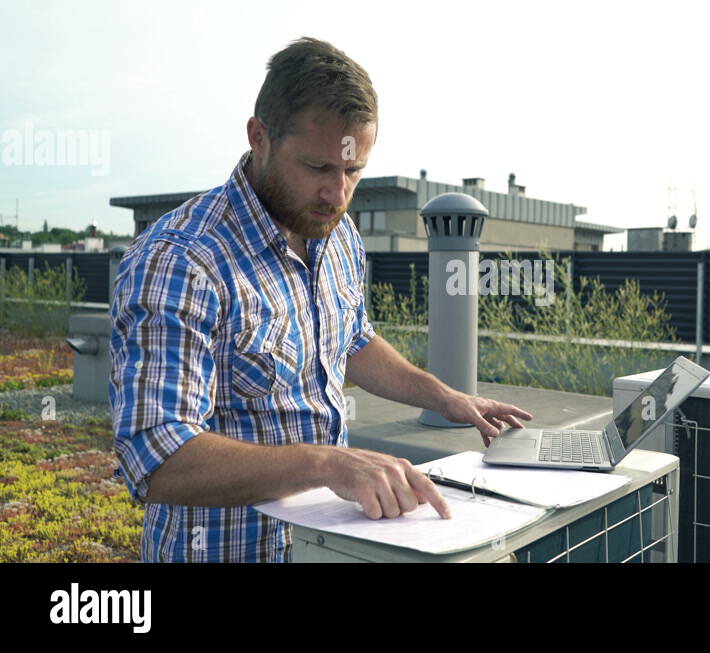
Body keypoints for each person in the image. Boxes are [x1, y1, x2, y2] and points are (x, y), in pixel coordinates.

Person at [108, 36, 533, 562]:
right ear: (258, 137)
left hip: (329, 548)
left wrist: (444, 398)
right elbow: (156, 458)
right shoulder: (182, 261)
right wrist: (326, 464)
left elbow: (351, 339)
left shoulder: (336, 233)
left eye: (353, 171)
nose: (338, 194)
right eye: (317, 168)